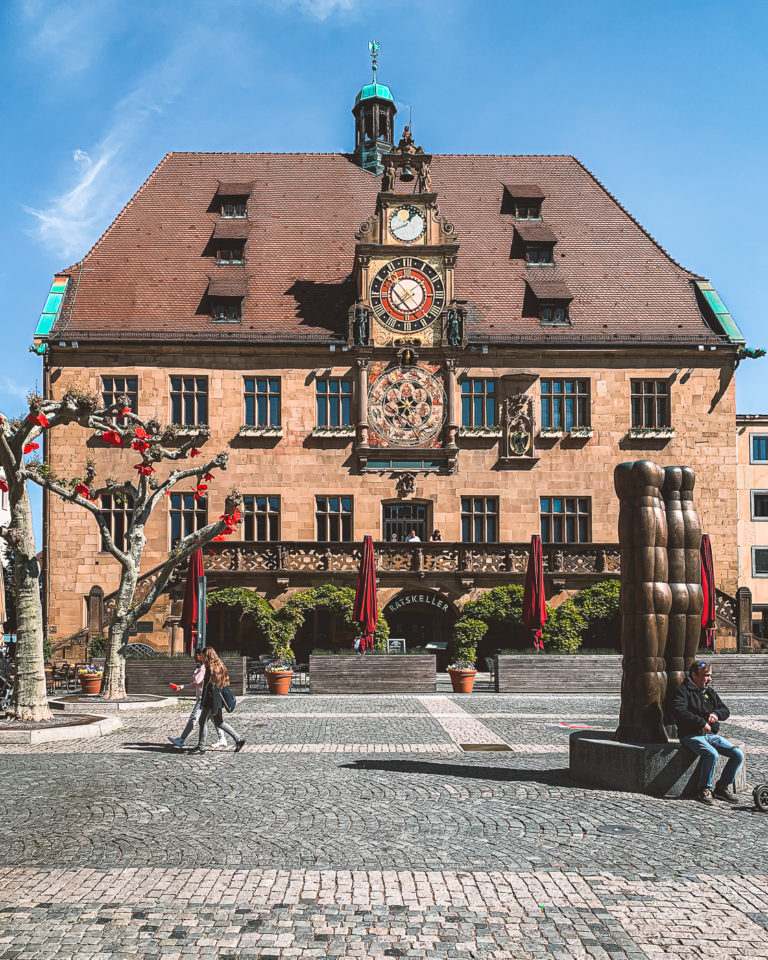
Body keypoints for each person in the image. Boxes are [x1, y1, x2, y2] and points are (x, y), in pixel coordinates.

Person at [673, 660, 744, 805]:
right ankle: (704, 789)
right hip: (690, 735)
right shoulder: (683, 691)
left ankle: (722, 787)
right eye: (706, 675)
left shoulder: (709, 692)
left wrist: (717, 714)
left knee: (738, 754)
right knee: (711, 754)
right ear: (694, 675)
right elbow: (680, 711)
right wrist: (701, 722)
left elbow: (725, 710)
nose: (709, 679)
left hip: (710, 735)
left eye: (710, 675)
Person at [168, 650, 228, 750]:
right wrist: (182, 687)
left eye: (198, 655)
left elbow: (197, 680)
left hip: (203, 698)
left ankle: (182, 739)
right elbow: (195, 684)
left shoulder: (204, 668)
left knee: (194, 719)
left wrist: (199, 669)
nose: (195, 657)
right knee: (215, 720)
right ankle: (223, 739)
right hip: (203, 697)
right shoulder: (202, 667)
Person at [192, 647, 245, 754]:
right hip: (213, 701)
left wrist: (215, 709)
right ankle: (238, 739)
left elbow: (215, 690)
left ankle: (200, 747)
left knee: (203, 722)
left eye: (202, 655)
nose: (200, 657)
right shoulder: (217, 666)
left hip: (211, 702)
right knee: (219, 723)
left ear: (207, 656)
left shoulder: (212, 670)